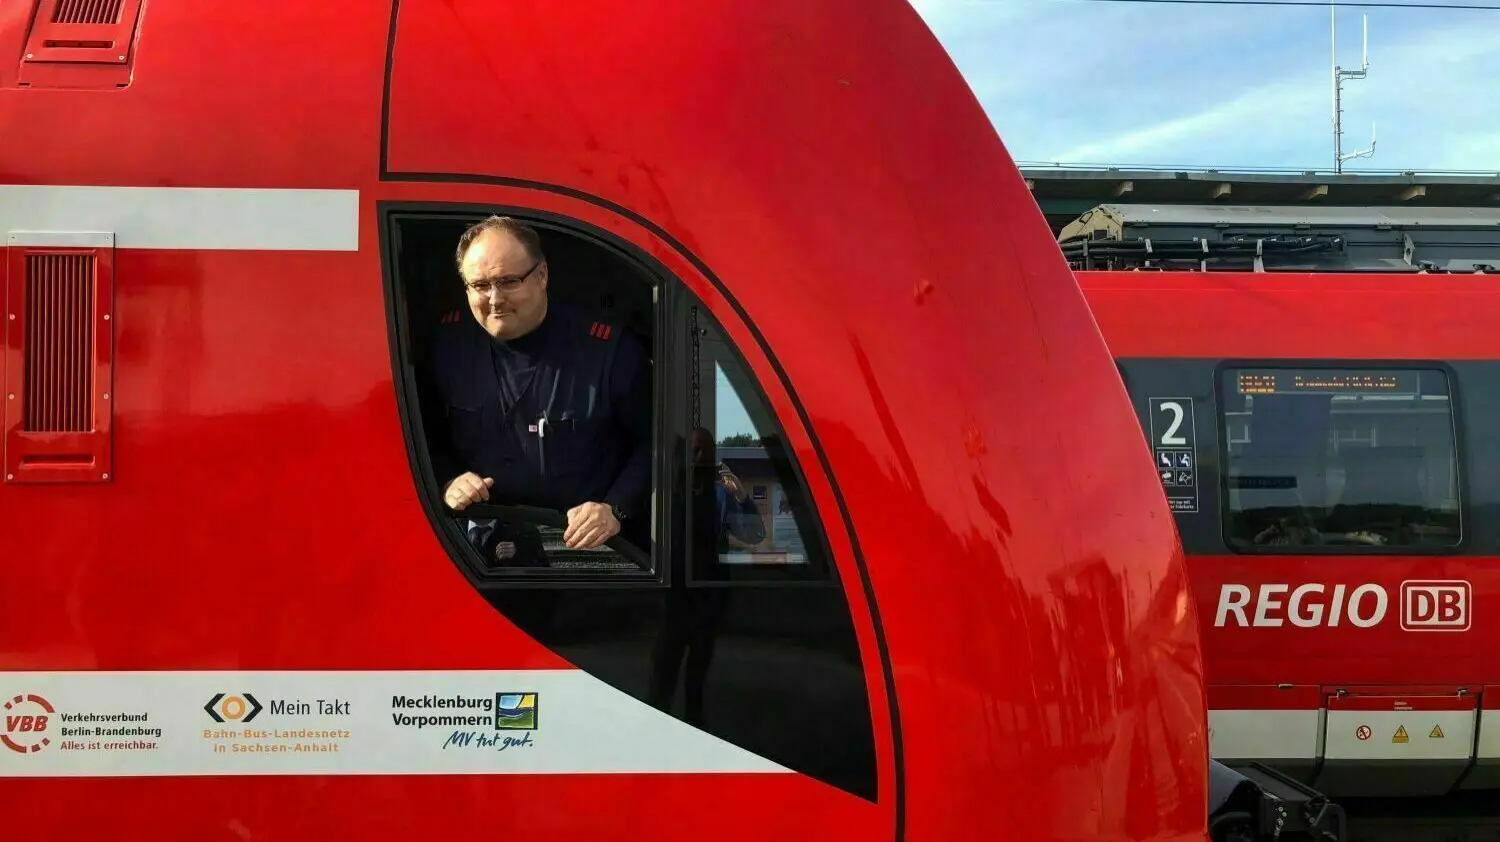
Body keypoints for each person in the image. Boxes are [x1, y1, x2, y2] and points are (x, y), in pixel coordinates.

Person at [423, 215, 652, 556]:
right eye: (481, 286)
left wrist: (614, 508)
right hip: (475, 561)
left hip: (581, 561)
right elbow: (421, 436)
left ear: (542, 275)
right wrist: (445, 482)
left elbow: (657, 443)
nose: (495, 299)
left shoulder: (606, 352)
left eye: (509, 281)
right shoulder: (447, 348)